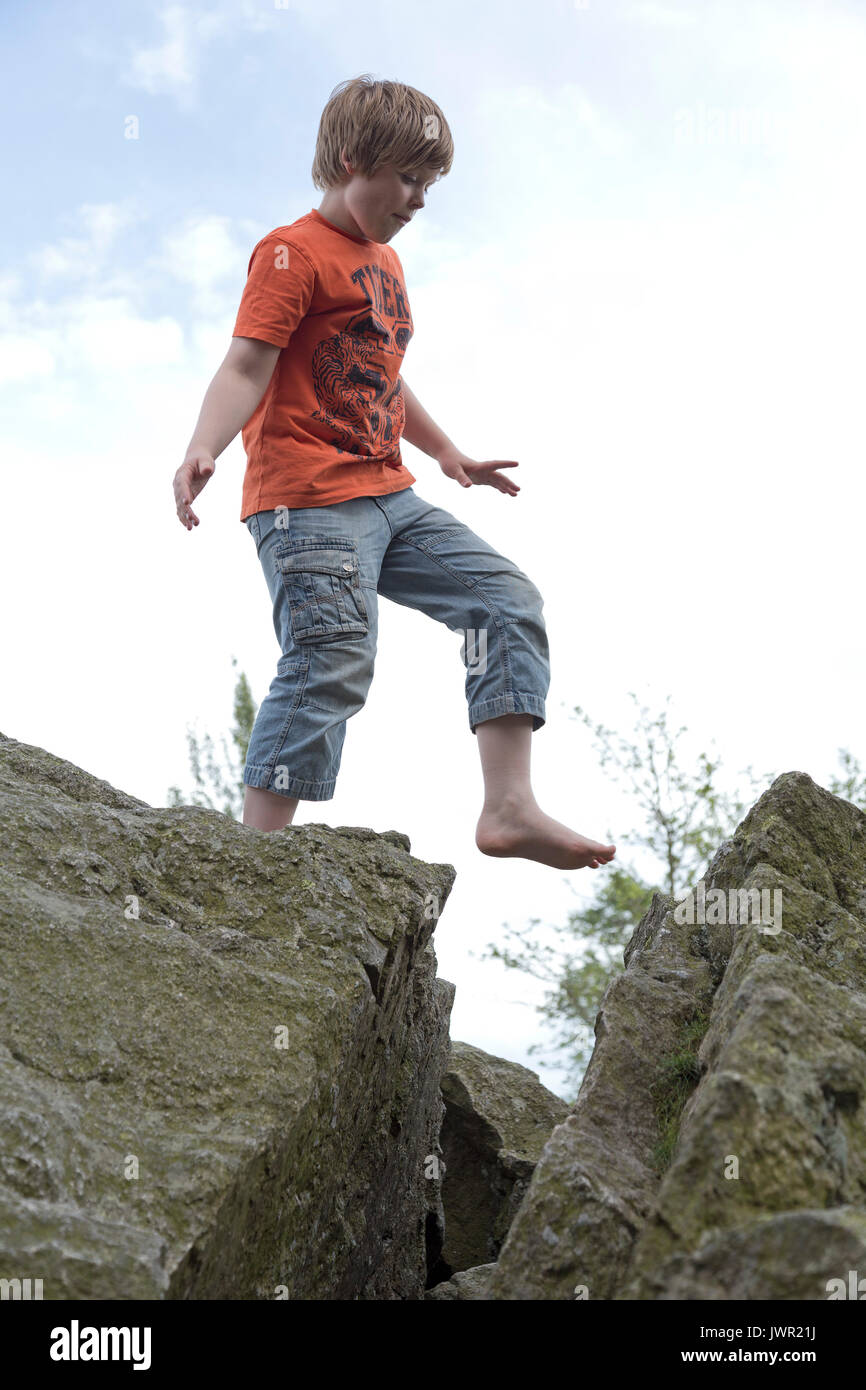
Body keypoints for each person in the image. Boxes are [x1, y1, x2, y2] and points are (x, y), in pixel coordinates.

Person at [171, 75, 616, 872]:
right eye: (408, 178)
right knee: (331, 653)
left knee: (503, 601)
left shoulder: (385, 265)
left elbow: (383, 375)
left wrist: (446, 452)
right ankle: (253, 858)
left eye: (429, 184)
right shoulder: (290, 252)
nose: (418, 200)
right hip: (307, 501)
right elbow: (246, 364)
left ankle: (509, 807)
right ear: (351, 160)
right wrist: (205, 444)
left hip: (389, 493)